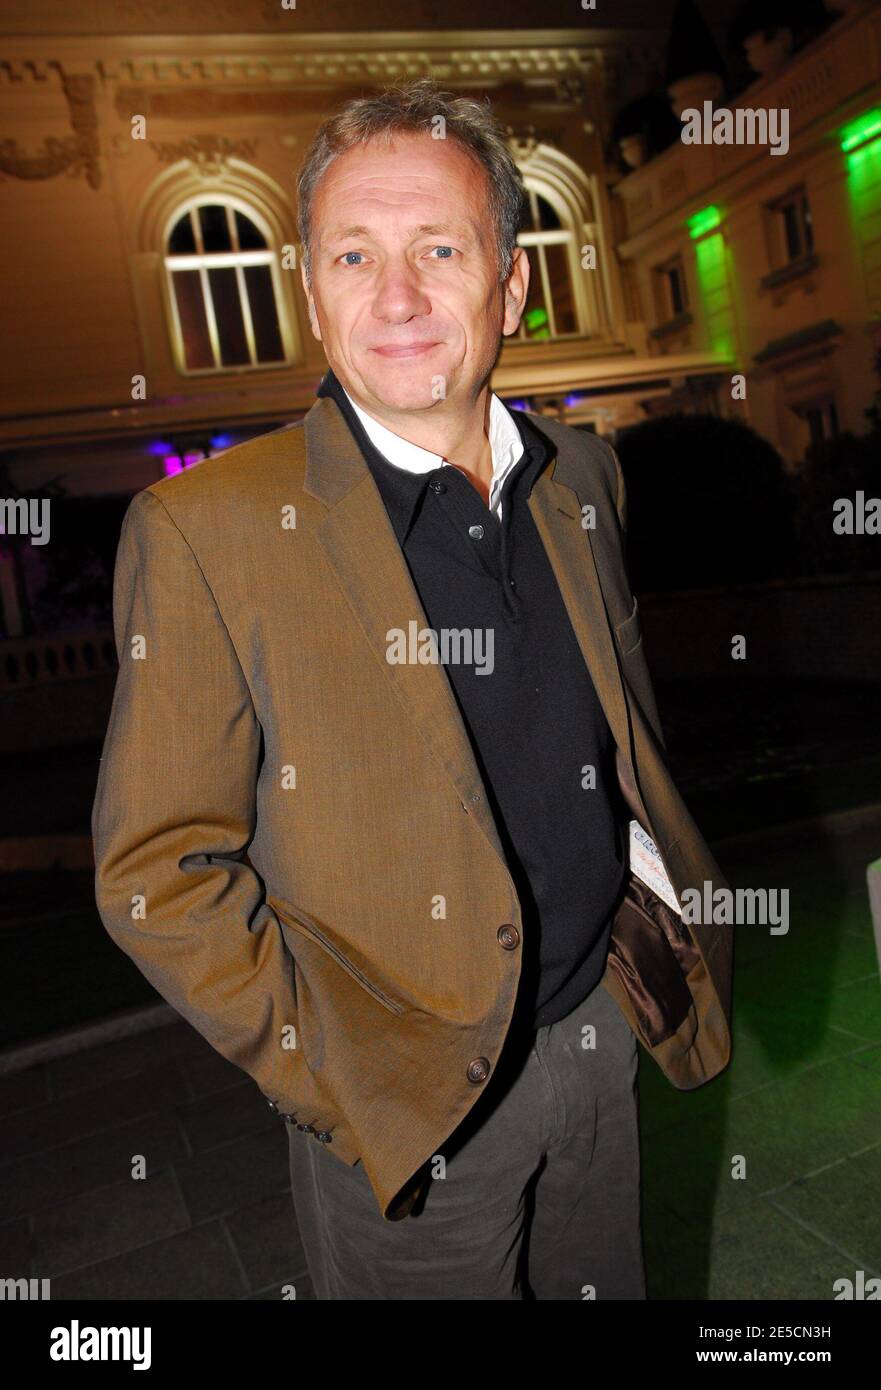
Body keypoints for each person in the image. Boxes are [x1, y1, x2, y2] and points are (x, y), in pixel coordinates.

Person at [92, 79, 732, 1300]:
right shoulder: (205, 531)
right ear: (310, 290)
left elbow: (619, 739)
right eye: (353, 254)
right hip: (407, 1117)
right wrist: (339, 1073)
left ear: (510, 283)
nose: (397, 297)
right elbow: (156, 872)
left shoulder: (581, 479)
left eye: (439, 248)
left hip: (602, 1033)